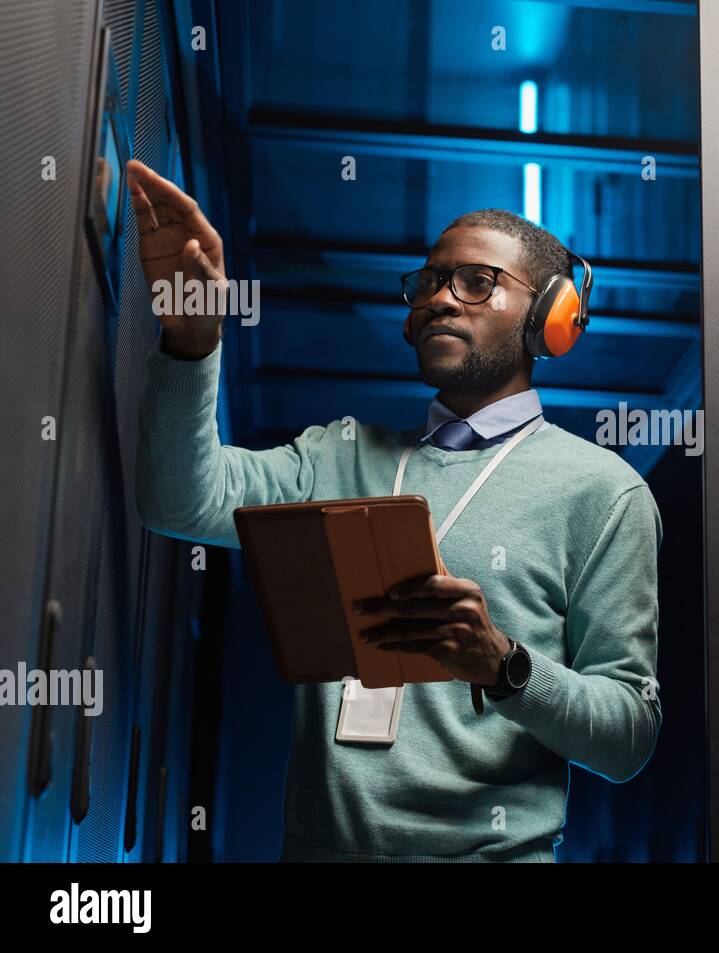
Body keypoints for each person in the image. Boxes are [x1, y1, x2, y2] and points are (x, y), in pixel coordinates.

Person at [126, 158, 663, 862]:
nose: (443, 297)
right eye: (430, 281)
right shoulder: (335, 456)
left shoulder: (605, 492)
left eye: (478, 281)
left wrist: (504, 665)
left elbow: (629, 735)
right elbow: (178, 499)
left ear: (550, 320)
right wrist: (194, 336)